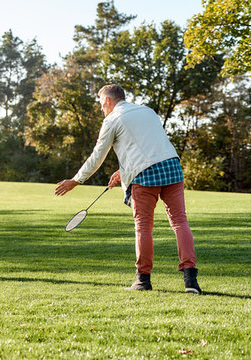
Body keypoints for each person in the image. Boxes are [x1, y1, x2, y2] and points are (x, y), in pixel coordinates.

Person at [54, 84, 201, 294]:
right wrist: (123, 171)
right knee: (180, 221)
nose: (101, 109)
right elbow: (149, 147)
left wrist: (76, 180)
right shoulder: (147, 111)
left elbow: (97, 156)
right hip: (173, 167)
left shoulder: (112, 120)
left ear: (108, 100)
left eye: (101, 104)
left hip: (145, 176)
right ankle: (191, 281)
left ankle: (143, 280)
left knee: (143, 227)